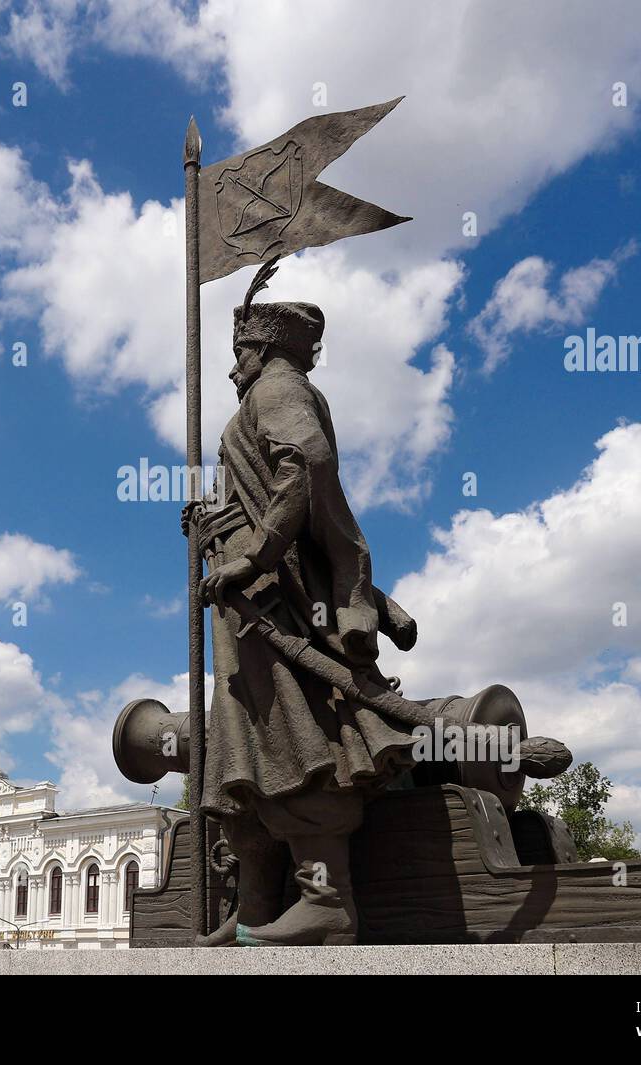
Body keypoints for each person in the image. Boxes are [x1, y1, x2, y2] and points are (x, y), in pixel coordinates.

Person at [184, 281, 423, 946]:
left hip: (278, 603)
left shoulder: (277, 387)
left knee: (298, 737)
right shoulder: (262, 395)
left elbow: (306, 463)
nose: (232, 366)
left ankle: (328, 901)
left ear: (264, 348)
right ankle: (258, 908)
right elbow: (263, 486)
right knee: (251, 743)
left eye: (240, 350)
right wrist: (213, 523)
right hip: (249, 605)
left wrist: (255, 554)